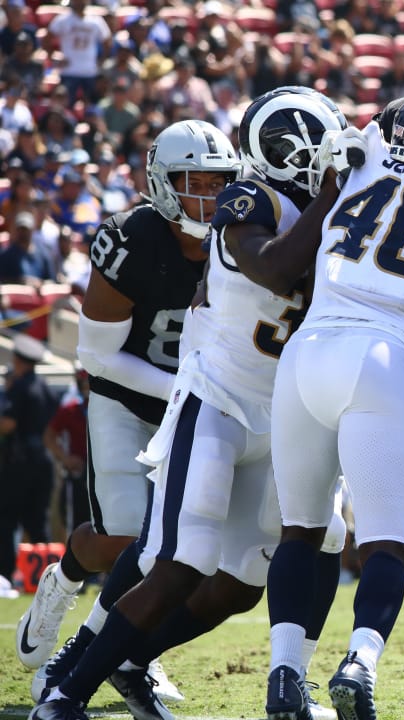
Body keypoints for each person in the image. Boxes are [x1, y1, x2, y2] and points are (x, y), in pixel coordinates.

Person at [27, 87, 356, 720]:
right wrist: (332, 195)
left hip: (283, 412)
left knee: (278, 564)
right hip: (216, 400)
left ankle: (152, 662)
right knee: (180, 559)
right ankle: (68, 689)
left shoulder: (333, 210)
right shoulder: (247, 199)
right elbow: (282, 268)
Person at [263, 86, 404, 720]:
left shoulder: (362, 156)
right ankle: (360, 663)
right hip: (383, 355)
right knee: (386, 543)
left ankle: (284, 674)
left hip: (304, 351)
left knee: (300, 534)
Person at [19, 119, 239, 707]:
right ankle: (66, 574)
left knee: (177, 549)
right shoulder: (131, 239)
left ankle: (134, 654)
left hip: (202, 408)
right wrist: (184, 389)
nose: (213, 196)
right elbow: (95, 355)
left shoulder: (243, 234)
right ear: (164, 184)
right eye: (197, 181)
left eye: (221, 181)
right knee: (127, 538)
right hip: (128, 401)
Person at [0, 334, 58, 587]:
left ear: (18, 360)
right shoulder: (45, 388)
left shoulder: (19, 387)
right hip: (43, 462)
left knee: (6, 518)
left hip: (18, 462)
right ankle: (44, 577)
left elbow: (8, 425)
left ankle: (5, 574)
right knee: (38, 520)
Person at [43, 366, 91, 540]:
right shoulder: (71, 409)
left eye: (88, 382)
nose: (85, 386)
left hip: (101, 473)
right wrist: (65, 458)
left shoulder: (107, 410)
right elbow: (49, 435)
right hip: (78, 474)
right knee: (75, 522)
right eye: (82, 382)